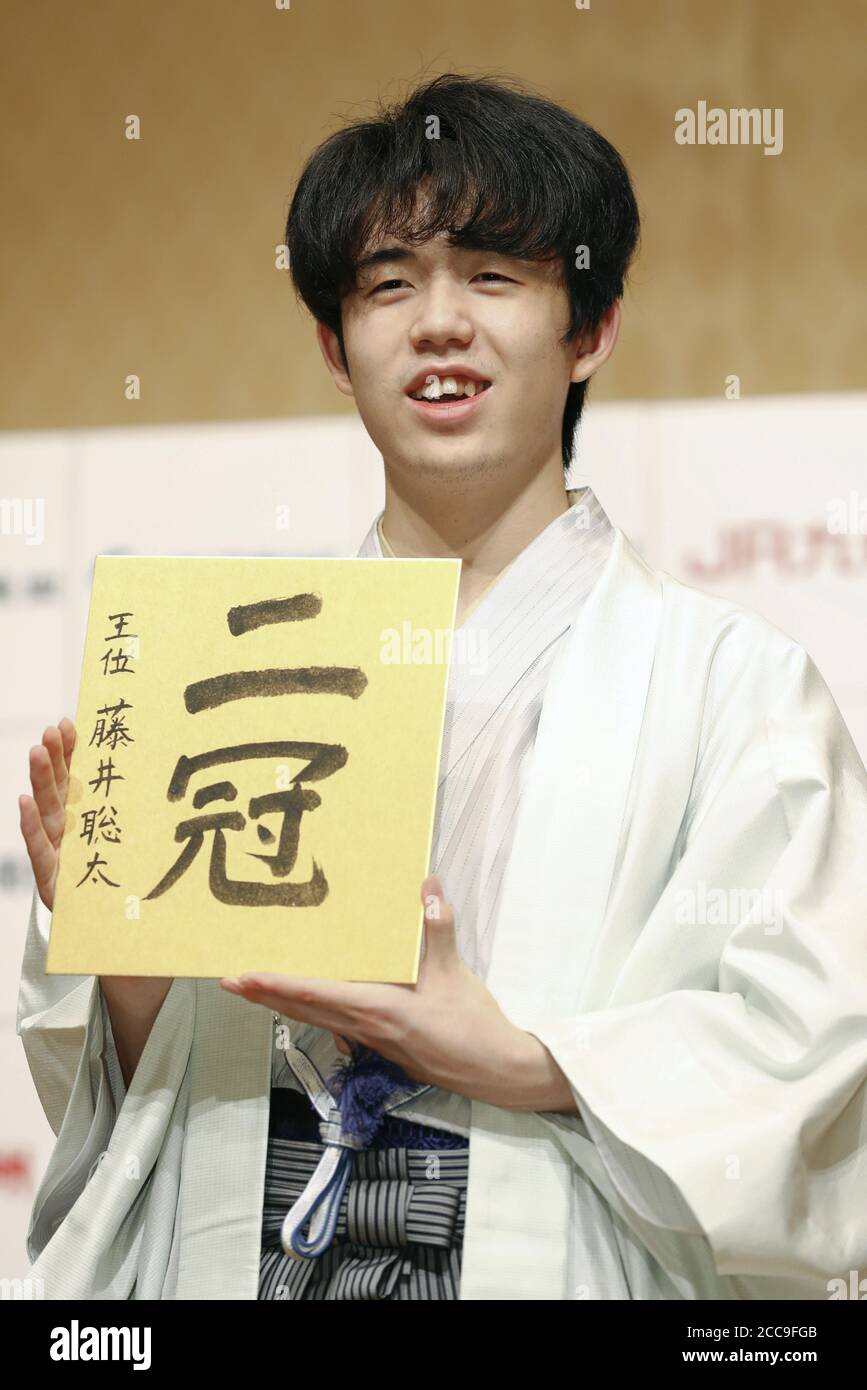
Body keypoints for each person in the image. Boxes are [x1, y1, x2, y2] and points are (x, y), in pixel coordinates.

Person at [17, 72, 867, 1301]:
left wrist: (524, 1057)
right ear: (333, 343)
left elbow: (811, 1050)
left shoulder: (734, 690)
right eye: (389, 285)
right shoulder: (229, 668)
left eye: (496, 277)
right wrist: (133, 978)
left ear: (591, 329)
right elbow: (135, 1106)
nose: (438, 324)